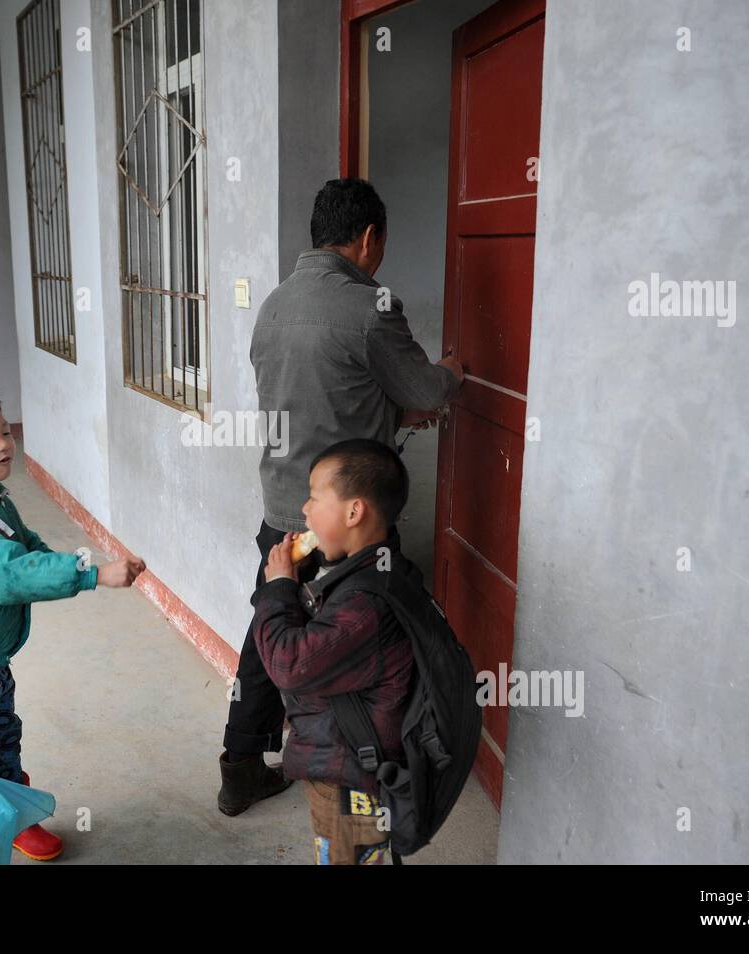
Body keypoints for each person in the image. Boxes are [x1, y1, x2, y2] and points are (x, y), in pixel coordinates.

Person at [218, 177, 463, 815]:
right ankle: (371, 769)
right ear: (368, 238)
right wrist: (455, 374)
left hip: (284, 509)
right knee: (371, 643)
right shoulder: (370, 307)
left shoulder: (274, 304)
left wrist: (388, 412)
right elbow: (424, 388)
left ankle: (241, 762)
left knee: (271, 626)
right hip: (348, 519)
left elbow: (319, 394)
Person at [0, 388, 144, 860]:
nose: (3, 444)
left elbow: (28, 546)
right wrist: (92, 575)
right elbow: (13, 575)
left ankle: (14, 816)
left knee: (3, 738)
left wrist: (73, 564)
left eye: (6, 432)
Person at [252, 439, 417, 864]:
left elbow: (288, 664)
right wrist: (304, 575)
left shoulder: (366, 605)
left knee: (348, 853)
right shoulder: (376, 566)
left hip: (350, 780)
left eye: (314, 497)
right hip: (348, 764)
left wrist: (278, 589)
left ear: (353, 511)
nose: (304, 510)